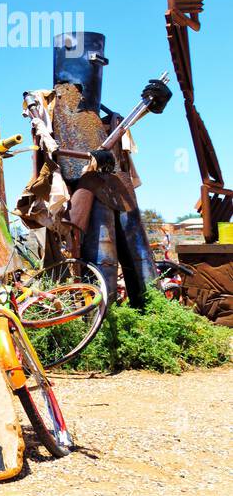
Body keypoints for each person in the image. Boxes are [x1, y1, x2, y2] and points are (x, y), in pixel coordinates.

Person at [16, 32, 171, 307]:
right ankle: (98, 331)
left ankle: (153, 315)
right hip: (85, 189)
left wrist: (153, 102)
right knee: (101, 265)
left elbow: (114, 129)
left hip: (116, 186)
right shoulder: (48, 104)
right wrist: (89, 157)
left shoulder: (99, 114)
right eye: (94, 63)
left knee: (140, 259)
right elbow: (52, 147)